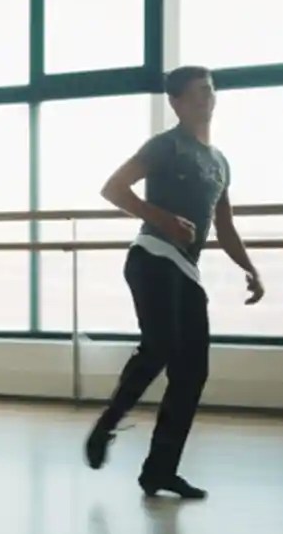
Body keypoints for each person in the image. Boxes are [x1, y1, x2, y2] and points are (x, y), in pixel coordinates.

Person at [85, 66, 263, 499]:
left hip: (186, 269)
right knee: (160, 346)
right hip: (151, 257)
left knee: (192, 372)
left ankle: (159, 471)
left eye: (210, 91)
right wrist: (162, 218)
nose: (208, 98)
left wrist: (250, 268)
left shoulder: (219, 162)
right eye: (198, 92)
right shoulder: (166, 146)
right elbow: (113, 188)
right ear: (177, 102)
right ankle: (107, 423)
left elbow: (225, 226)